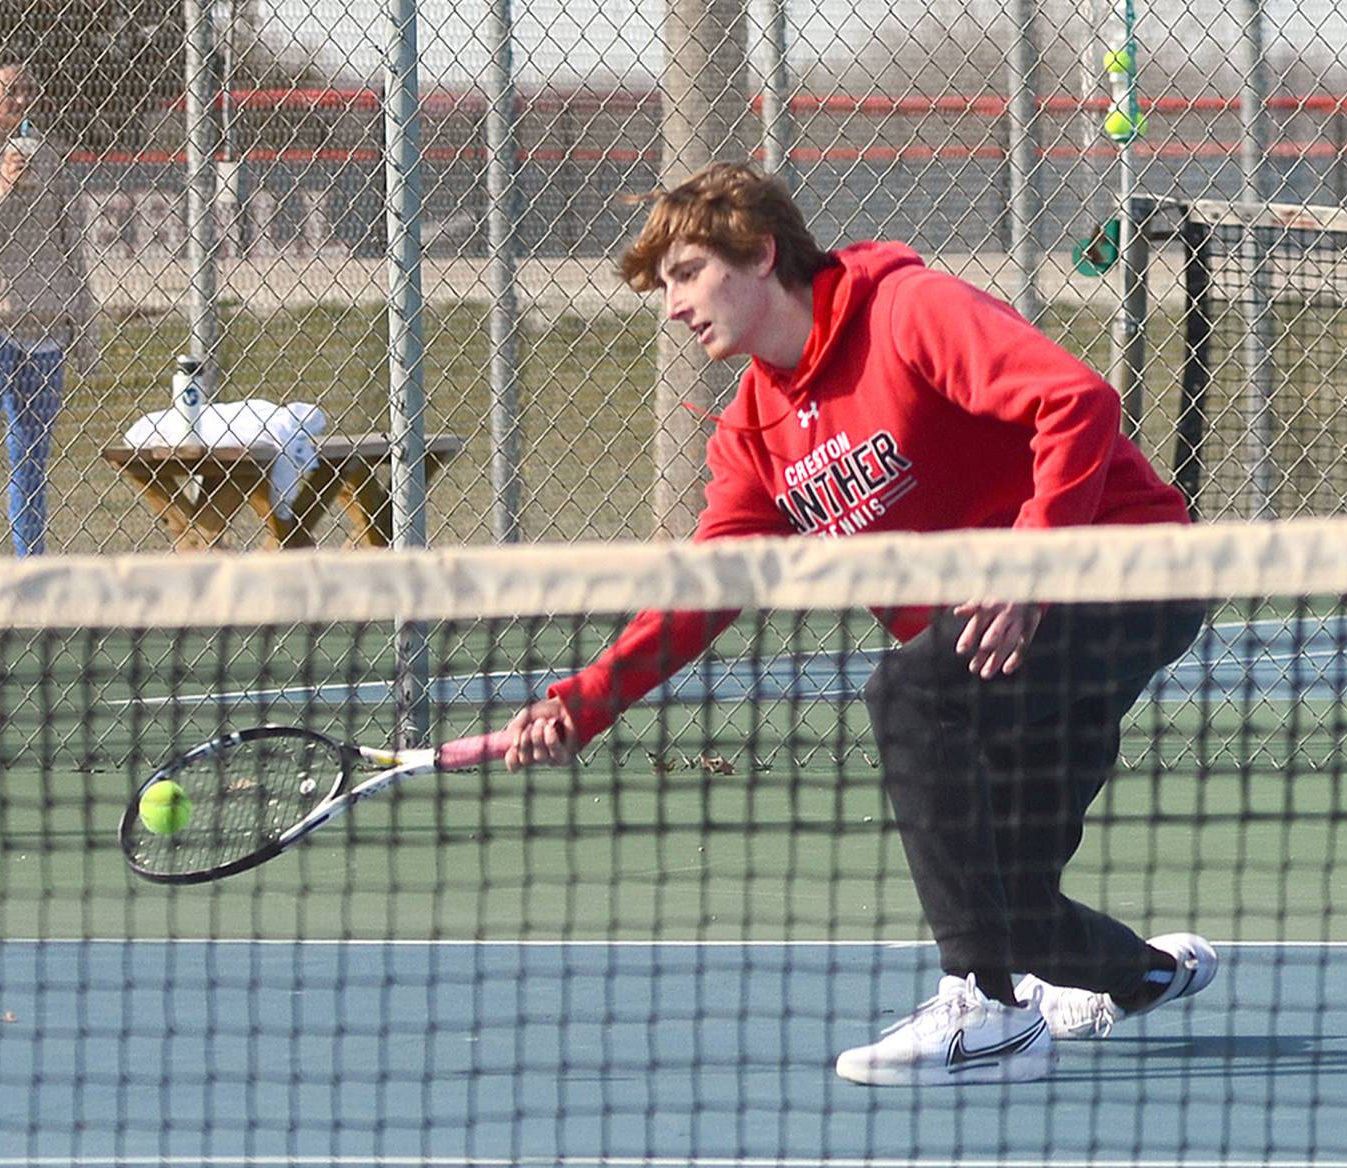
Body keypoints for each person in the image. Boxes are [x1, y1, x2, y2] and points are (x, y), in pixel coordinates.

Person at [504, 161, 1215, 1087]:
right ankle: (1147, 974)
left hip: (1128, 572)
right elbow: (705, 590)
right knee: (1015, 905)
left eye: (685, 273)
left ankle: (984, 1006)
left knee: (909, 696)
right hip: (1001, 639)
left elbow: (1074, 400)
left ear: (760, 253)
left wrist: (1031, 563)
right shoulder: (753, 434)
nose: (673, 306)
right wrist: (583, 703)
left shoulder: (908, 310)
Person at [0, 49, 96, 555]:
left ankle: (30, 574)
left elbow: (71, 245)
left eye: (28, 89)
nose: (22, 99)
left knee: (33, 462)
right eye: (10, 89)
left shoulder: (50, 154)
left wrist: (85, 329)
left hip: (47, 328)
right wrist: (0, 188)